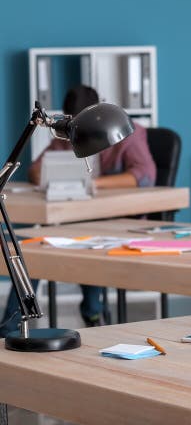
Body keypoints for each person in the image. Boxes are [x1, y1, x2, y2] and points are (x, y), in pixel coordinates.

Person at [1, 85, 156, 333]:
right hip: (69, 219)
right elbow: (34, 170)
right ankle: (12, 323)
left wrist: (93, 183)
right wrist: (58, 176)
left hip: (113, 220)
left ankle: (92, 310)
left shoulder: (126, 133)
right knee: (34, 247)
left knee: (81, 242)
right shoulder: (70, 133)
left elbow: (145, 175)